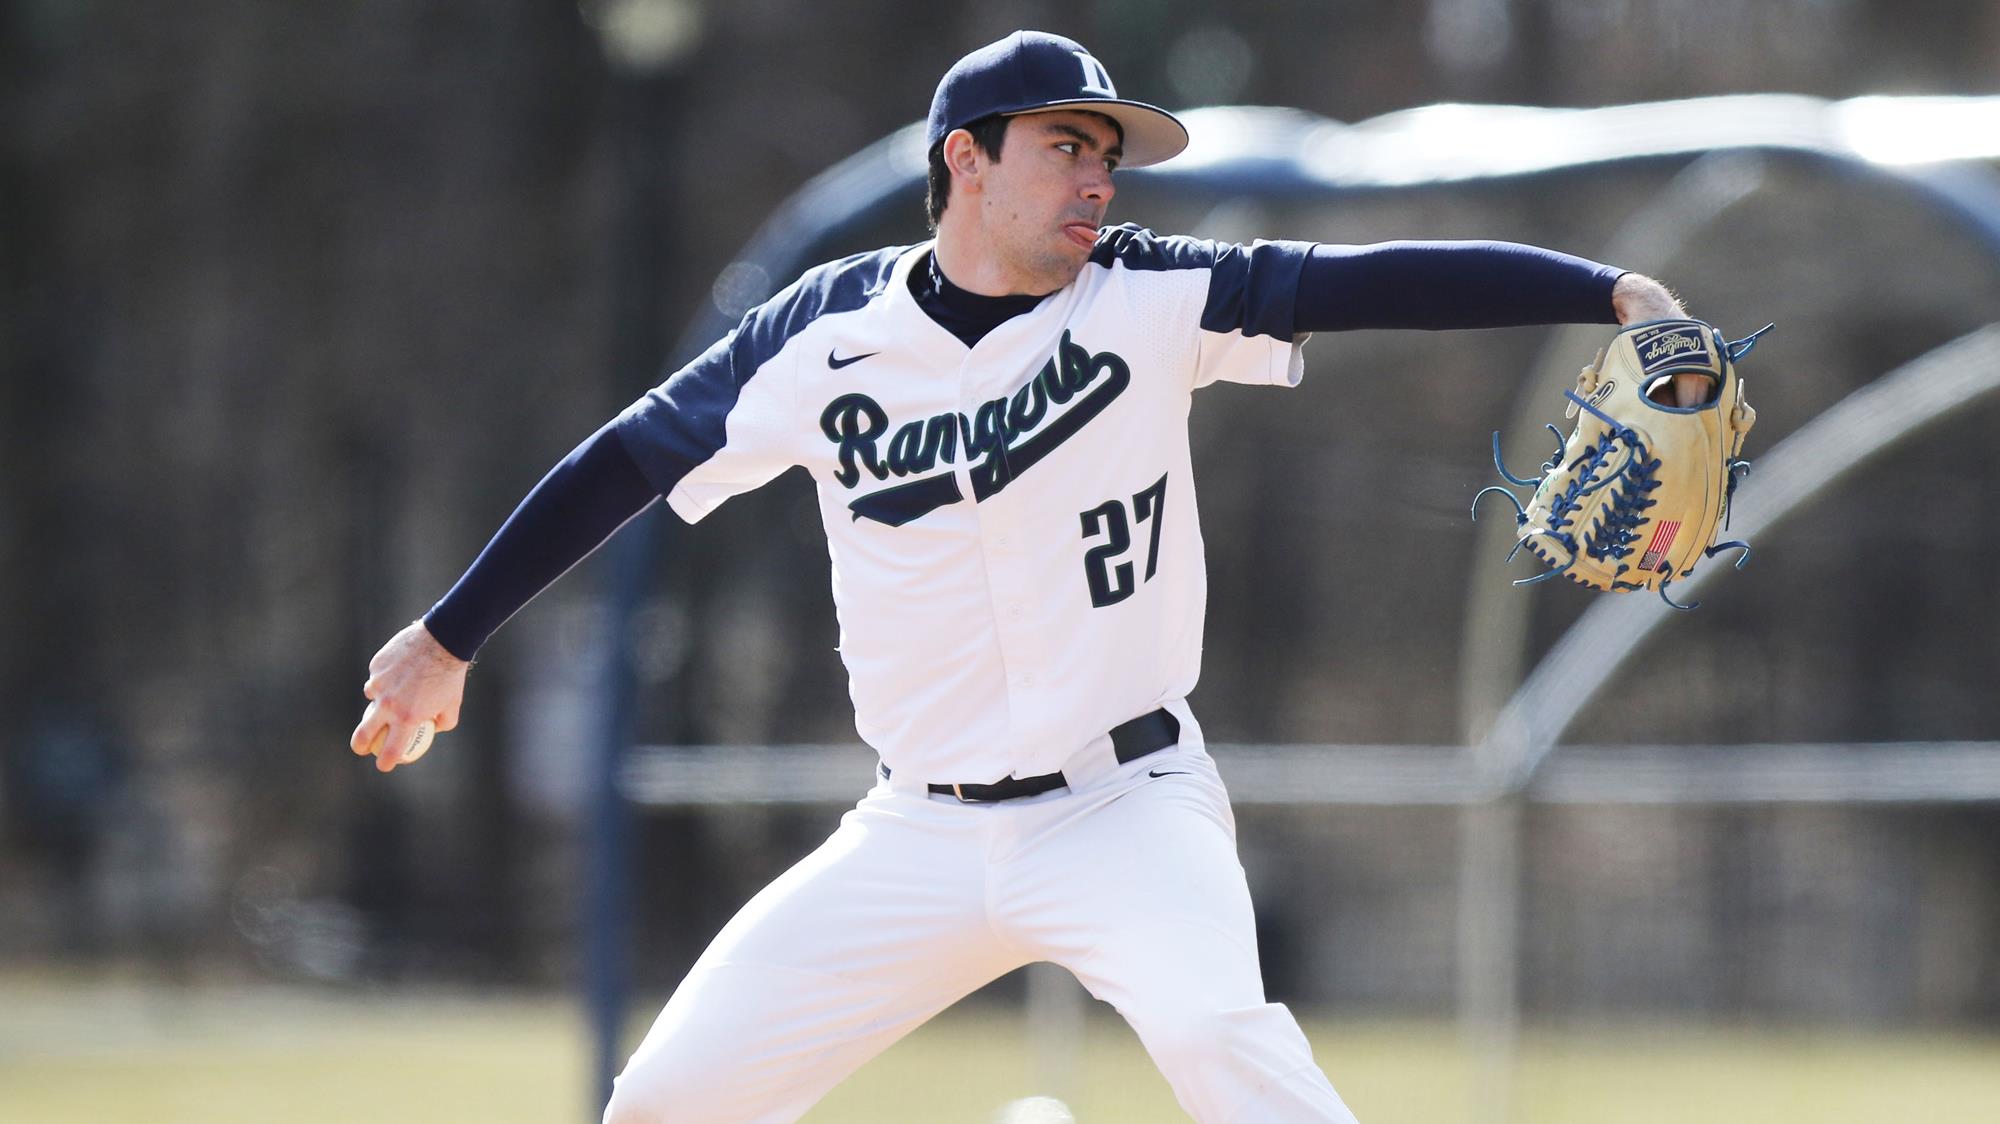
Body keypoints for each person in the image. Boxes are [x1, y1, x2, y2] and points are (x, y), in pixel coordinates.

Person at [351, 29, 1698, 1123]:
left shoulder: (1150, 294)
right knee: (661, 1108)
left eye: (1107, 153)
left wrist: (1609, 291)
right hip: (917, 832)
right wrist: (448, 637)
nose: (1099, 178)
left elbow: (1367, 283)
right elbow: (626, 461)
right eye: (1066, 146)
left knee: (1224, 1040)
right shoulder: (821, 335)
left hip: (1125, 806)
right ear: (967, 159)